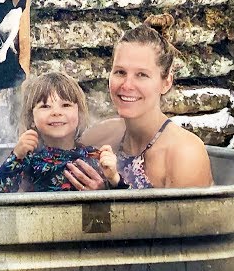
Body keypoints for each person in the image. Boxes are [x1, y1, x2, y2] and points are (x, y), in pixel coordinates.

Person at [64, 18, 214, 190]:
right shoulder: (99, 137)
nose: (127, 85)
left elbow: (193, 210)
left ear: (166, 82)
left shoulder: (185, 154)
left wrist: (104, 197)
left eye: (142, 75)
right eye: (120, 72)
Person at [0, 72, 122, 193]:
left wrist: (113, 179)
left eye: (66, 105)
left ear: (79, 114)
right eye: (45, 106)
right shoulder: (28, 159)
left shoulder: (93, 156)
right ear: (32, 119)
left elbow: (126, 202)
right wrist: (16, 156)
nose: (56, 112)